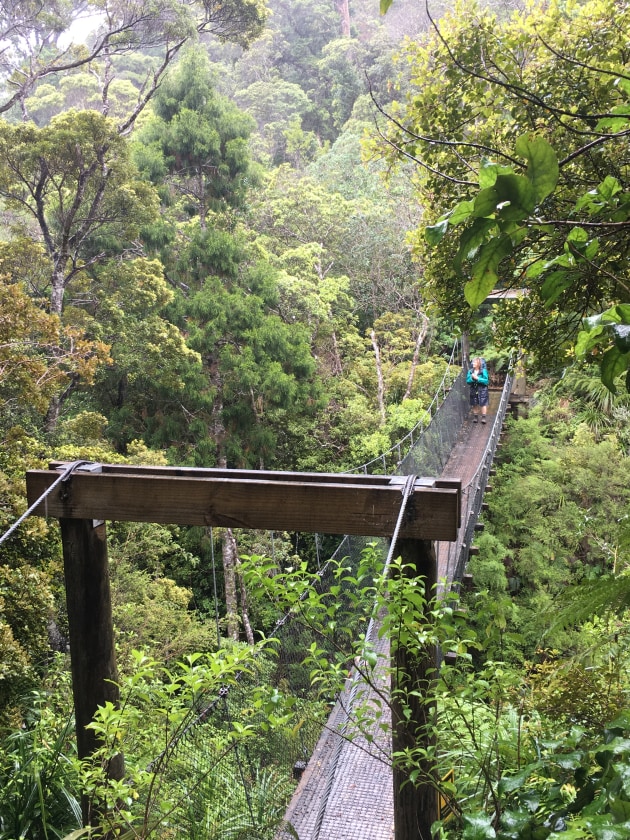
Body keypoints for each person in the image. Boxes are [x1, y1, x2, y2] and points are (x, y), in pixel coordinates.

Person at [466, 356, 489, 423]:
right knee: (474, 403)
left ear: (478, 363)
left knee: (483, 402)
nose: (473, 363)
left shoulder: (483, 371)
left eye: (474, 362)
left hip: (482, 389)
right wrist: (472, 379)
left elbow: (486, 381)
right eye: (473, 362)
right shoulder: (470, 371)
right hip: (474, 388)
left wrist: (477, 378)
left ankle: (483, 417)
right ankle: (475, 417)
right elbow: (468, 381)